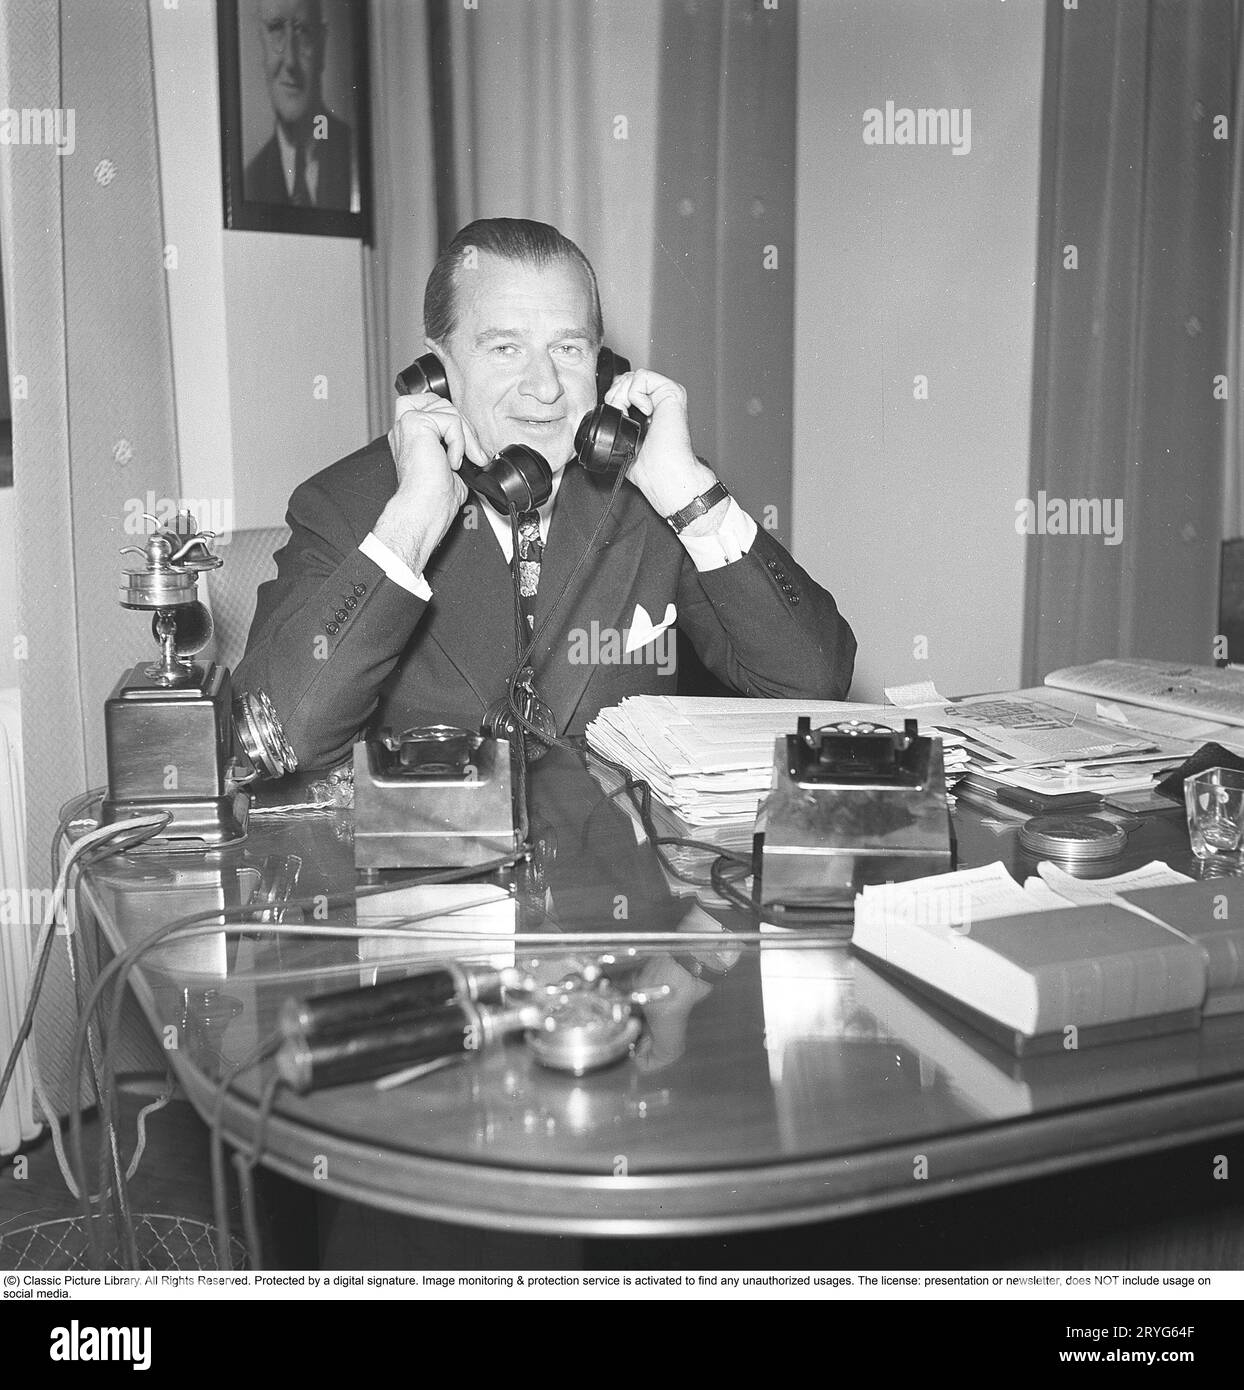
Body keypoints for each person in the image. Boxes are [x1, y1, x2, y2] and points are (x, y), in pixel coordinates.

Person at [236, 218, 856, 772]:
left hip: (624, 880)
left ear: (605, 367)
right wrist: (412, 526)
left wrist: (689, 492)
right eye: (505, 348)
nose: (546, 388)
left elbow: (811, 683)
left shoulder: (650, 499)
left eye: (568, 349)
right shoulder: (346, 504)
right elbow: (271, 740)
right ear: (437, 368)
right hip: (436, 887)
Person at [243, 0, 355, 211]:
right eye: (276, 28)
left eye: (303, 31)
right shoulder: (250, 181)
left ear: (322, 45)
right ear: (262, 44)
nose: (290, 61)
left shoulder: (354, 154)